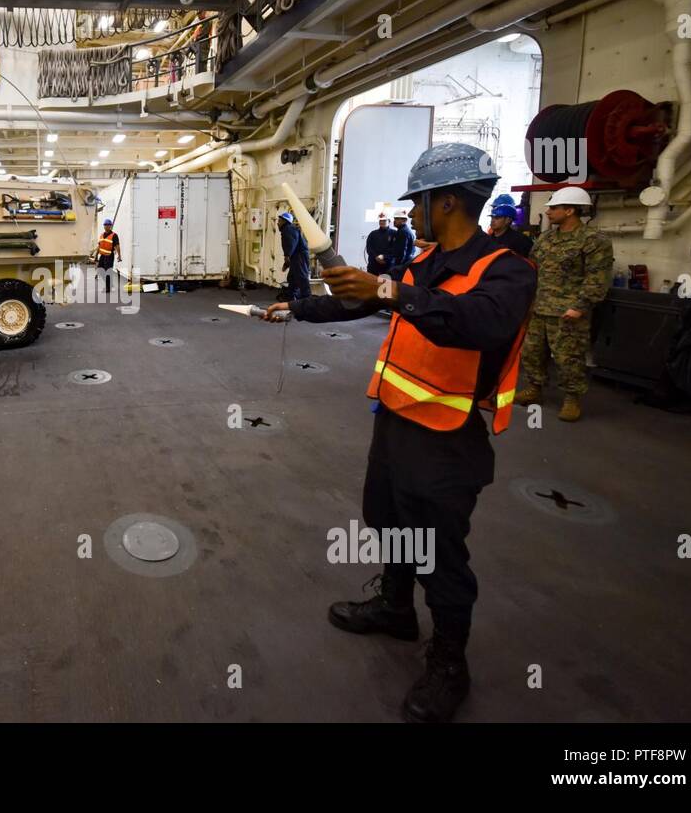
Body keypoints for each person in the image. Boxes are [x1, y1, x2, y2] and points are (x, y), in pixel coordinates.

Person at [261, 143, 536, 723]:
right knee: (387, 521)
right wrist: (299, 306)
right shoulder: (426, 262)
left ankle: (450, 663)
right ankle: (394, 607)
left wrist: (389, 291)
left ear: (450, 202)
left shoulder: (505, 270)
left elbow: (475, 323)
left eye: (420, 202)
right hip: (395, 423)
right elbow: (363, 304)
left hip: (447, 435)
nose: (411, 213)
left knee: (440, 554)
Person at [515, 186, 613, 422]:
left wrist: (580, 306)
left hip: (569, 310)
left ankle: (571, 398)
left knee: (568, 357)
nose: (548, 211)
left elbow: (597, 277)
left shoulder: (593, 240)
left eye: (554, 207)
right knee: (531, 352)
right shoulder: (546, 238)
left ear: (570, 210)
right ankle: (534, 388)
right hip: (540, 307)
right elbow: (532, 269)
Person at [487, 194, 533, 258]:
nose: (492, 220)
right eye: (492, 217)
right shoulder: (488, 239)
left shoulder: (520, 241)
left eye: (497, 218)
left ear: (508, 220)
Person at [278, 210, 310, 301]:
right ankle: (291, 296)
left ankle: (307, 299)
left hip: (299, 257)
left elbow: (291, 243)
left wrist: (287, 256)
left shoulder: (289, 229)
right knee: (292, 277)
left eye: (280, 221)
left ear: (285, 221)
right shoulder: (288, 229)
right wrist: (287, 261)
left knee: (301, 277)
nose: (278, 223)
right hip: (296, 256)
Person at [96, 217, 122, 295]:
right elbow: (99, 246)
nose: (106, 226)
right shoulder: (101, 235)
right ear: (103, 226)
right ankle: (109, 284)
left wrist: (119, 255)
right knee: (100, 270)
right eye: (105, 225)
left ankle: (108, 287)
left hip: (109, 256)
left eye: (108, 225)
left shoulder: (114, 235)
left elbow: (117, 246)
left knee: (108, 271)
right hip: (102, 256)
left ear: (110, 226)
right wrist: (96, 255)